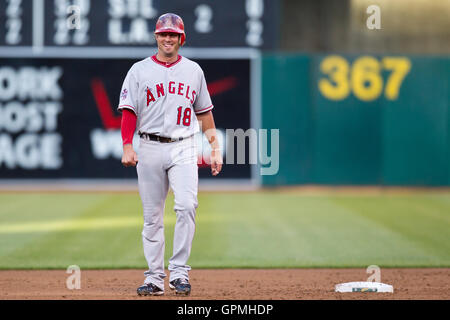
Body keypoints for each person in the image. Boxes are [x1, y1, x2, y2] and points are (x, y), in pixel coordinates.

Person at [118, 13, 222, 296]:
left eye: (173, 34)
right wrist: (127, 144)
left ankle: (178, 273)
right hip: (149, 145)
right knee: (152, 216)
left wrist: (214, 147)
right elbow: (129, 110)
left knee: (187, 205)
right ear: (156, 36)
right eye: (163, 34)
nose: (168, 38)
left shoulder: (193, 71)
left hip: (184, 145)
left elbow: (205, 114)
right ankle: (153, 278)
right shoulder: (139, 70)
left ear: (181, 39)